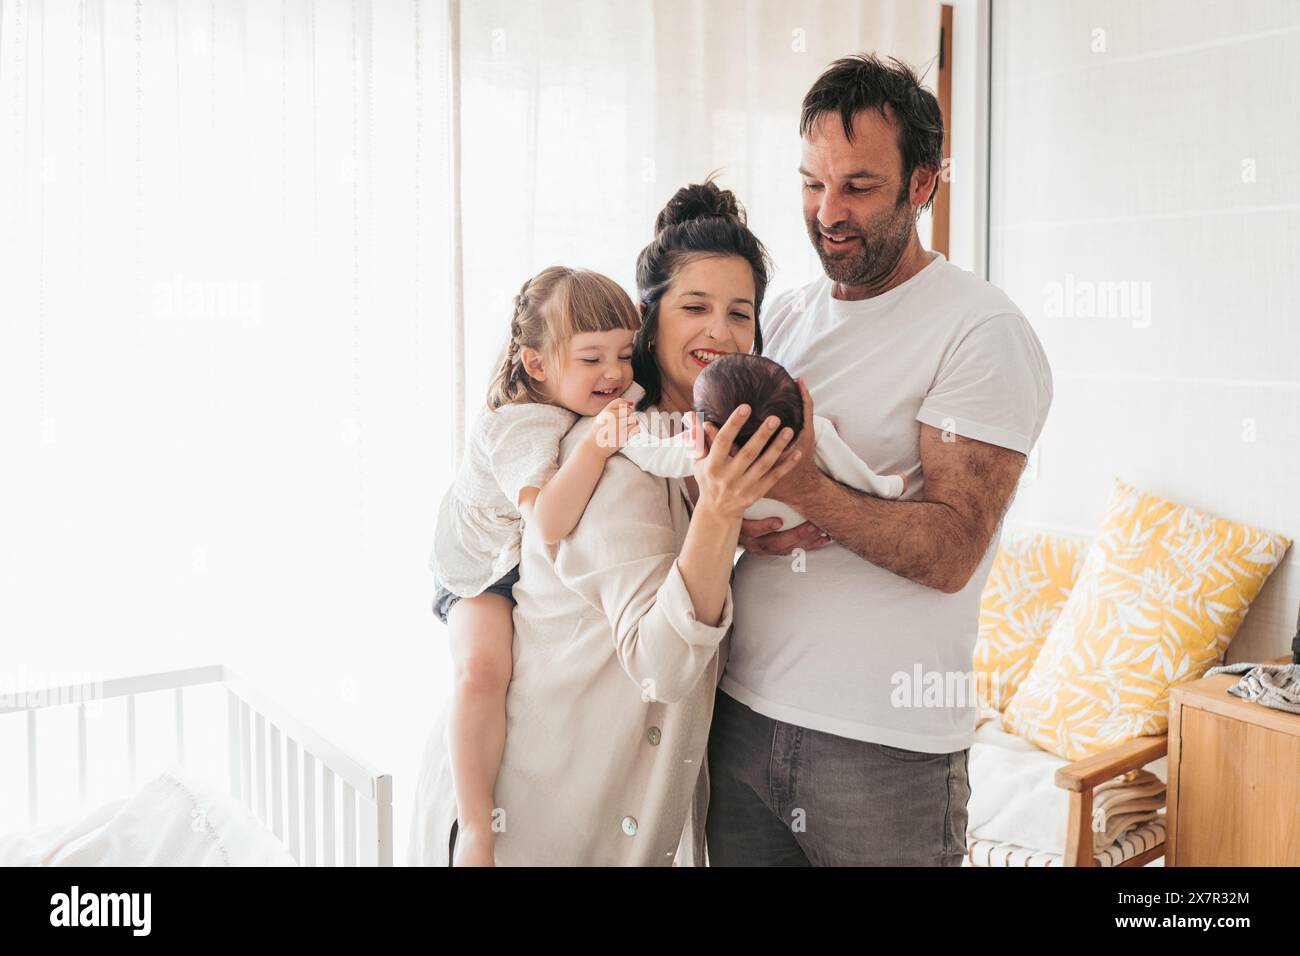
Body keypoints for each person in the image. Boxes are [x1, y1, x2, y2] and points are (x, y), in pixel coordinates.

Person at [705, 53, 1054, 866]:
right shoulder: (784, 316)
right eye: (810, 183)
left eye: (858, 187)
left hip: (883, 754)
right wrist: (740, 524)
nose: (827, 212)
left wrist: (807, 489)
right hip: (740, 720)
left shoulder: (979, 330)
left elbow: (951, 551)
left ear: (923, 185)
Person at [410, 180, 799, 865]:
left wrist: (739, 524)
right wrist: (722, 511)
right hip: (526, 818)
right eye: (695, 307)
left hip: (603, 812)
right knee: (479, 667)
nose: (721, 330)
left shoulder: (668, 436)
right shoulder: (602, 451)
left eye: (741, 312)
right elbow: (663, 661)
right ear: (653, 322)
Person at [428, 266, 649, 865]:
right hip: (481, 569)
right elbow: (549, 522)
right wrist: (601, 443)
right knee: (482, 669)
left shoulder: (604, 393)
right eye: (592, 358)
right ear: (537, 363)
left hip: (518, 559)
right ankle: (474, 824)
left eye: (625, 355)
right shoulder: (518, 426)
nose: (615, 374)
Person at [620, 352, 905, 530]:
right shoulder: (808, 432)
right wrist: (888, 486)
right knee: (825, 441)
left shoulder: (704, 444)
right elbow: (850, 470)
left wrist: (628, 437)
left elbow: (655, 458)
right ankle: (879, 485)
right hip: (803, 520)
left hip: (758, 523)